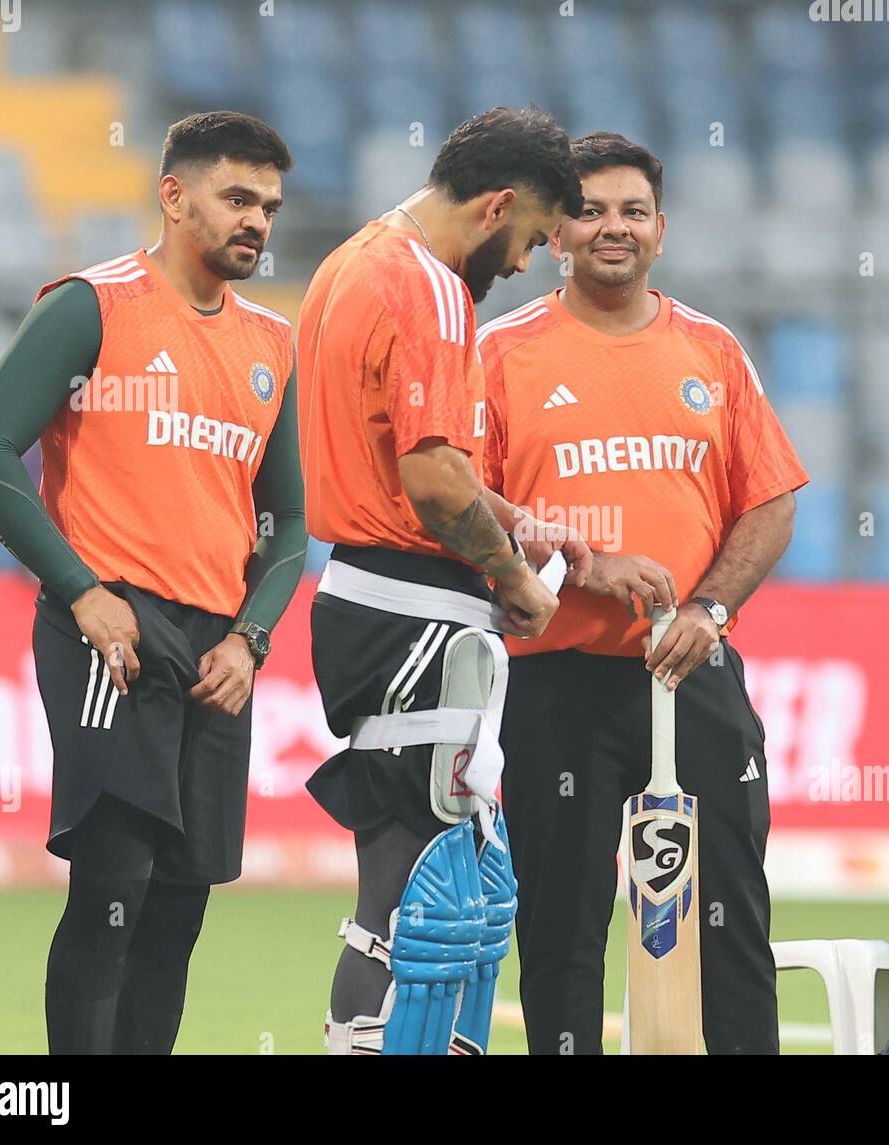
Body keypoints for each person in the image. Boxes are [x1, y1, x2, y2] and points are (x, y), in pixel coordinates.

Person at [0, 111, 307, 1053]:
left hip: (216, 649)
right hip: (108, 629)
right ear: (174, 194)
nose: (258, 222)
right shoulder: (90, 304)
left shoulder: (274, 344)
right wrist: (81, 591)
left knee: (180, 907)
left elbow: (288, 527)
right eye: (238, 198)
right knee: (117, 884)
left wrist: (251, 637)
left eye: (269, 206)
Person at [479, 132, 809, 1054]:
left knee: (730, 924)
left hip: (692, 675)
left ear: (661, 230)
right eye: (589, 210)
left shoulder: (711, 348)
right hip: (559, 684)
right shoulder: (503, 355)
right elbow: (464, 508)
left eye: (632, 211)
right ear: (555, 234)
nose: (611, 227)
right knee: (560, 934)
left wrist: (710, 608)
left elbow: (772, 504)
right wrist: (580, 565)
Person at [297, 106, 588, 1055]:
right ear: (497, 203)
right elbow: (426, 480)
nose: (522, 262)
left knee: (427, 876)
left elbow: (417, 465)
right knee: (418, 889)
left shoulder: (354, 261)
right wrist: (513, 573)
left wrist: (515, 522)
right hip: (415, 613)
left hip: (369, 601)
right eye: (533, 238)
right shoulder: (429, 289)